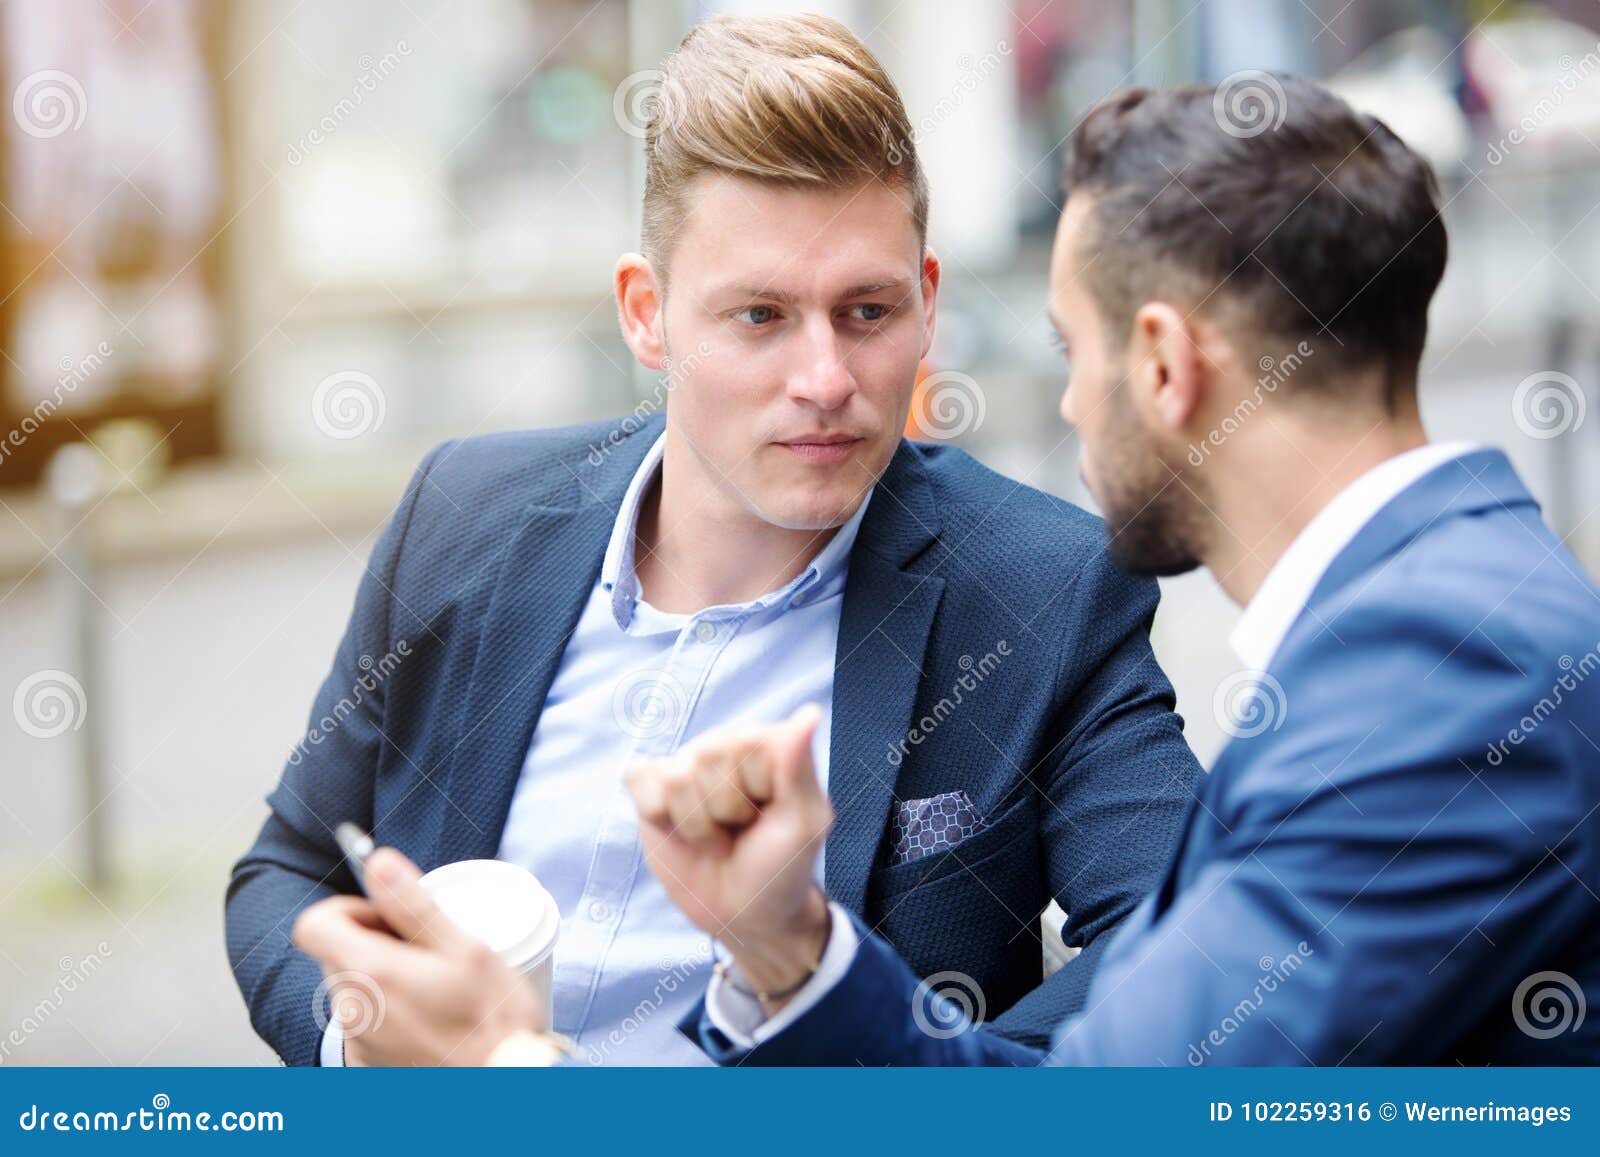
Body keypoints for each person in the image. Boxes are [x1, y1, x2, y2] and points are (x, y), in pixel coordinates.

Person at [226, 14, 1202, 1067]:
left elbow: (1189, 962)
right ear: (646, 315)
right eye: (760, 316)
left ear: (927, 303)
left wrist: (838, 1005)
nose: (824, 379)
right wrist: (362, 1041)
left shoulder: (1044, 588)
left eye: (866, 312)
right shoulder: (464, 513)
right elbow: (292, 864)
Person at [625, 76, 1600, 1065]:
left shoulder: (1437, 673)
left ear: (1164, 365)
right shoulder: (1449, 622)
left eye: (1072, 348)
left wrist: (786, 957)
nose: (1070, 406)